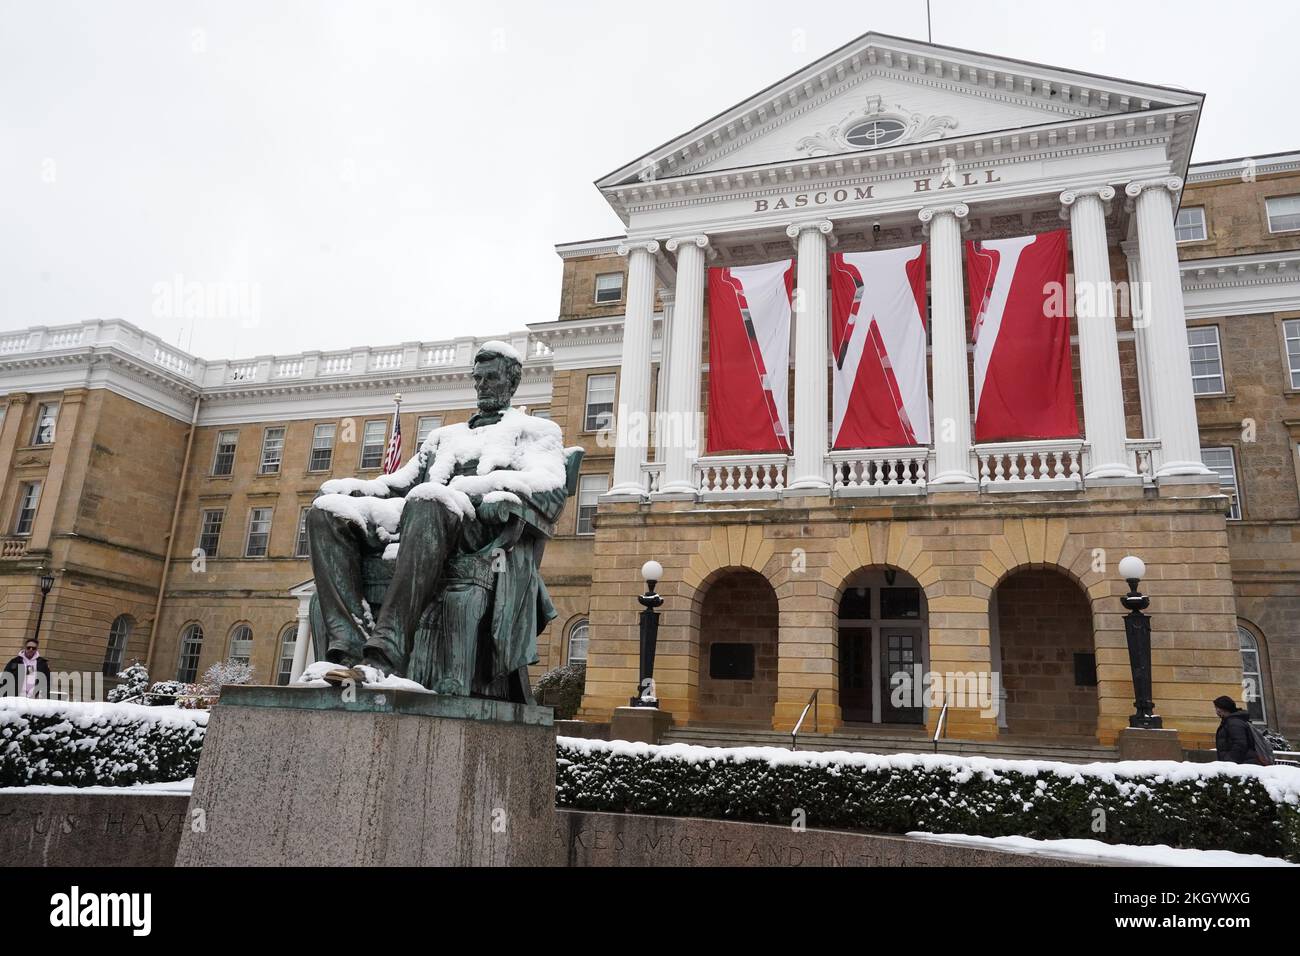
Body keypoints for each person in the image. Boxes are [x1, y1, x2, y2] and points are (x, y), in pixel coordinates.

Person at [307, 341, 567, 693]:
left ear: (512, 382)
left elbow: (550, 490)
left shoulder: (536, 431)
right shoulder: (444, 437)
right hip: (415, 523)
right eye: (478, 378)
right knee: (326, 513)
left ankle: (384, 655)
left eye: (491, 378)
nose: (482, 385)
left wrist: (498, 492)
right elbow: (395, 486)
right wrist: (346, 490)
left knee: (428, 500)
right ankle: (349, 648)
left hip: (477, 532)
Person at [1213, 695, 1255, 763]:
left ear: (1223, 708)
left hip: (1240, 764)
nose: (1216, 711)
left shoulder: (1234, 722)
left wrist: (1229, 761)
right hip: (1239, 763)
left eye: (1217, 708)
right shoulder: (1231, 721)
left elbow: (1240, 744)